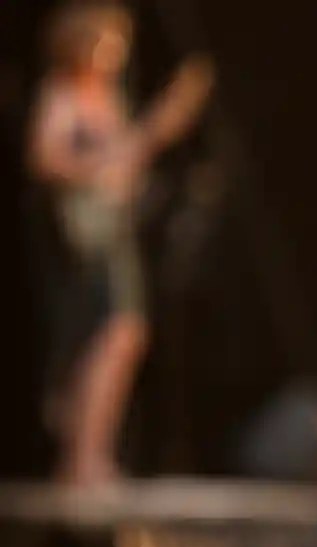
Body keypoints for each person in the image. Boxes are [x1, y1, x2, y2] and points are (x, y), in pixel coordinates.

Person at [28, 0, 214, 486]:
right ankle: (81, 461)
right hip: (87, 236)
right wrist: (98, 169)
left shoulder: (107, 97)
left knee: (122, 337)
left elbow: (130, 155)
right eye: (107, 42)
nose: (116, 53)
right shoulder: (64, 93)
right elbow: (46, 158)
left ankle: (91, 455)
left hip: (113, 231)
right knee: (110, 335)